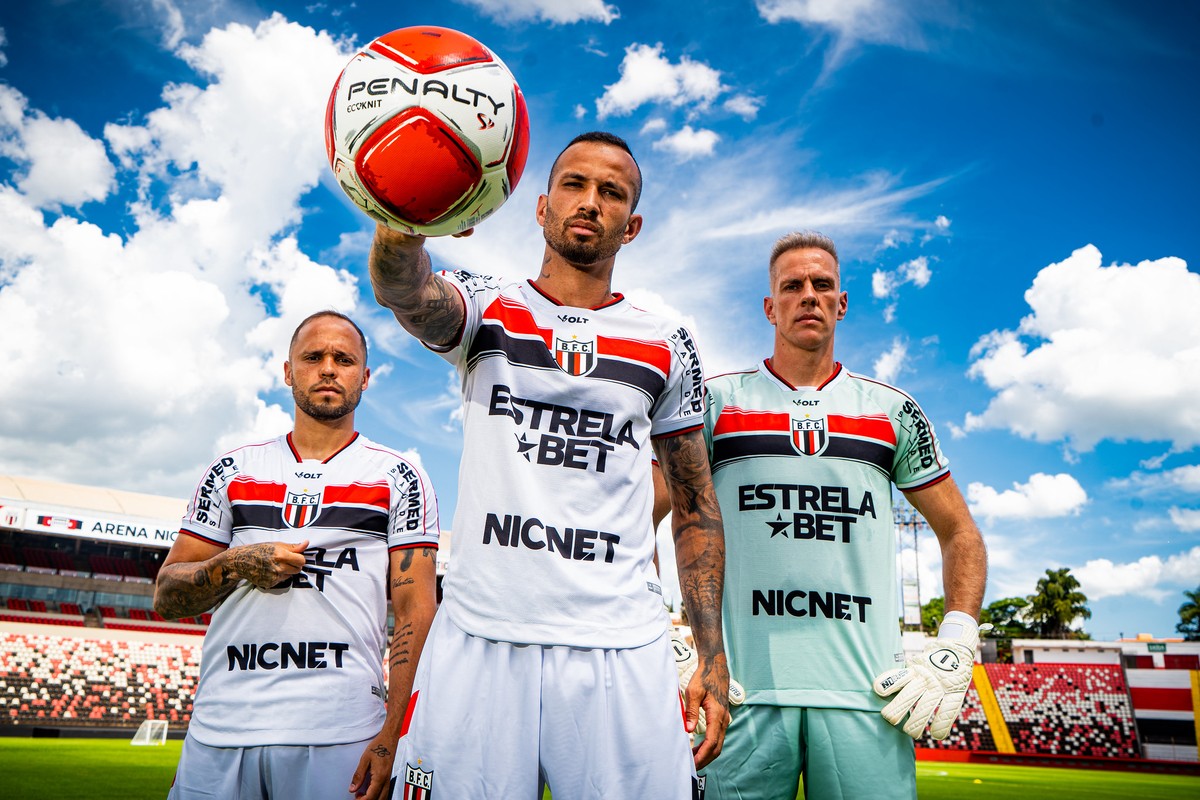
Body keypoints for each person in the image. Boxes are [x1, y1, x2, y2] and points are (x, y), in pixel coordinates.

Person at [367, 131, 730, 799]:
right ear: (541, 207)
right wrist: (402, 224)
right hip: (480, 635)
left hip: (619, 642)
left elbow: (696, 505)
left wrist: (711, 655)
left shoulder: (666, 339)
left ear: (632, 226)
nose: (590, 201)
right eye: (574, 184)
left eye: (611, 192)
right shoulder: (486, 307)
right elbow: (405, 291)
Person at [693, 231, 988, 799]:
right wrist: (665, 632)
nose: (808, 295)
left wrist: (956, 639)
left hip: (869, 697)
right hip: (740, 694)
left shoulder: (891, 410)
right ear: (769, 306)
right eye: (792, 286)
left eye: (821, 284)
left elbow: (960, 533)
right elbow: (643, 514)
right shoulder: (716, 402)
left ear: (842, 302)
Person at [154, 310, 440, 800]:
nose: (328, 368)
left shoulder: (399, 477)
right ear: (288, 372)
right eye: (313, 357)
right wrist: (235, 563)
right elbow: (166, 596)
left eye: (344, 359)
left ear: (365, 378)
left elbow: (417, 610)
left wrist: (393, 733)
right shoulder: (232, 470)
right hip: (222, 727)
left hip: (342, 730)